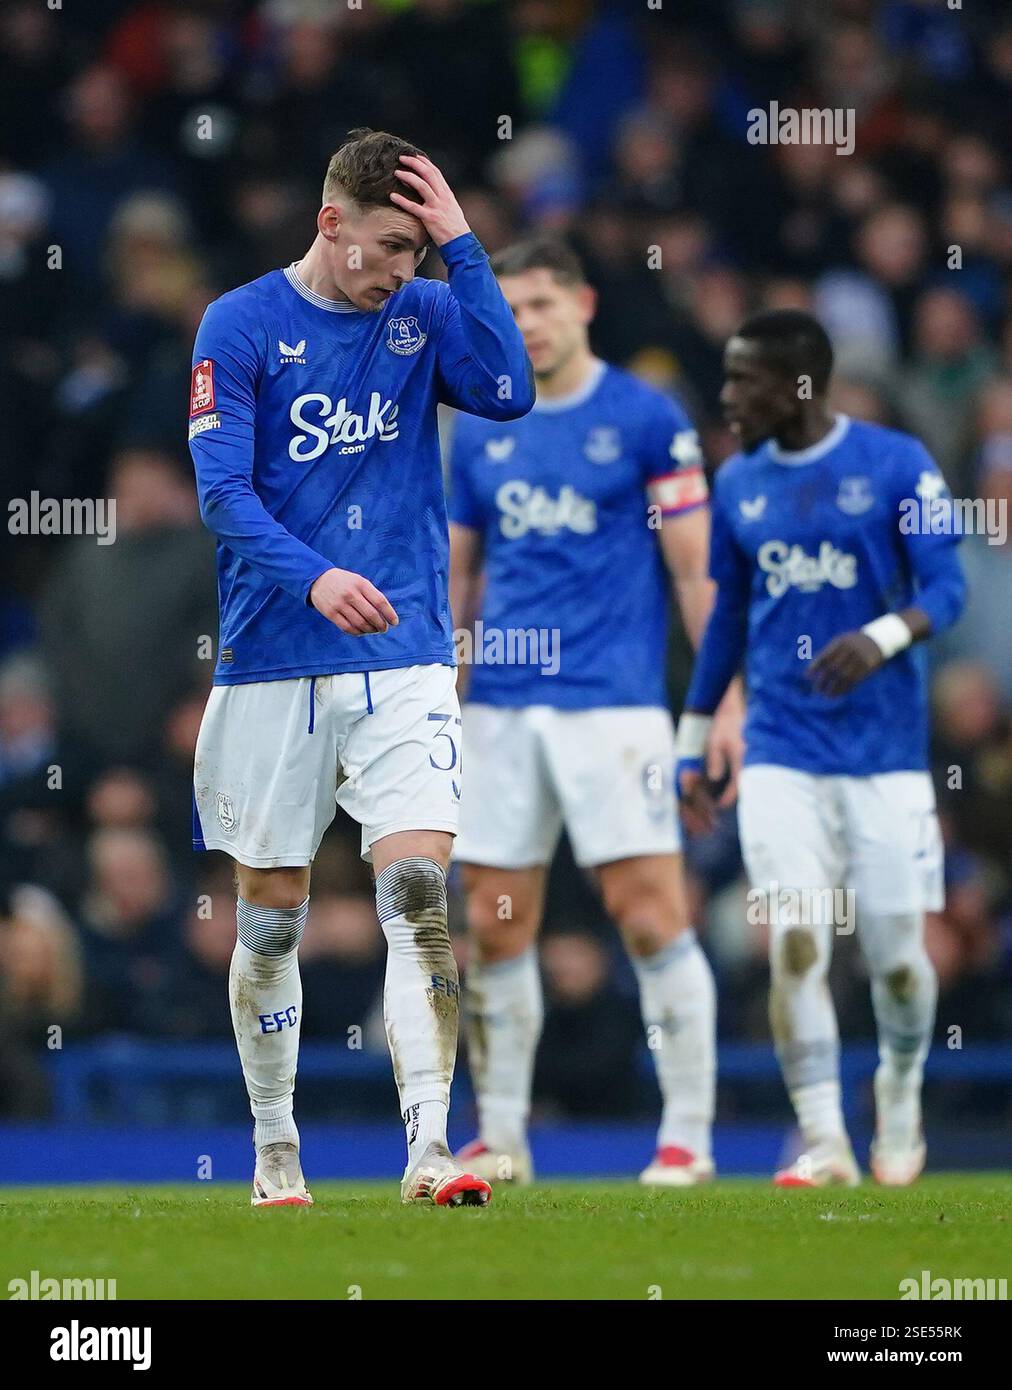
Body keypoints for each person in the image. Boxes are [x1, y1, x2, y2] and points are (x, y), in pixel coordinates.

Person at [188, 128, 533, 1208]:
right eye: (387, 247)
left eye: (415, 253)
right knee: (272, 912)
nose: (399, 272)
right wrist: (314, 576)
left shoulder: (424, 310)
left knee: (419, 890)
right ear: (328, 222)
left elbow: (511, 390)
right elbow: (222, 495)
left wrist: (464, 248)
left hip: (406, 650)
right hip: (274, 654)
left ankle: (429, 1145)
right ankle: (276, 1144)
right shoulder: (238, 323)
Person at [448, 238, 743, 1187]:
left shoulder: (647, 417)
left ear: (583, 302)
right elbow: (457, 576)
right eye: (513, 308)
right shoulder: (484, 425)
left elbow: (698, 570)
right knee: (495, 923)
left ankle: (687, 1137)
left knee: (650, 914)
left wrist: (724, 700)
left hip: (613, 705)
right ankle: (502, 1136)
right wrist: (442, 694)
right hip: (497, 704)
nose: (527, 323)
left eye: (542, 303)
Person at [676, 309, 966, 1187]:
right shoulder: (738, 484)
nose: (727, 400)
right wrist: (695, 740)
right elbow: (727, 618)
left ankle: (900, 1097)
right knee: (795, 936)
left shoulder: (895, 465)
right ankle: (825, 1139)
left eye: (744, 381)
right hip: (781, 748)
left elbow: (947, 589)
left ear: (800, 383)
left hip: (883, 756)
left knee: (899, 962)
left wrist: (882, 636)